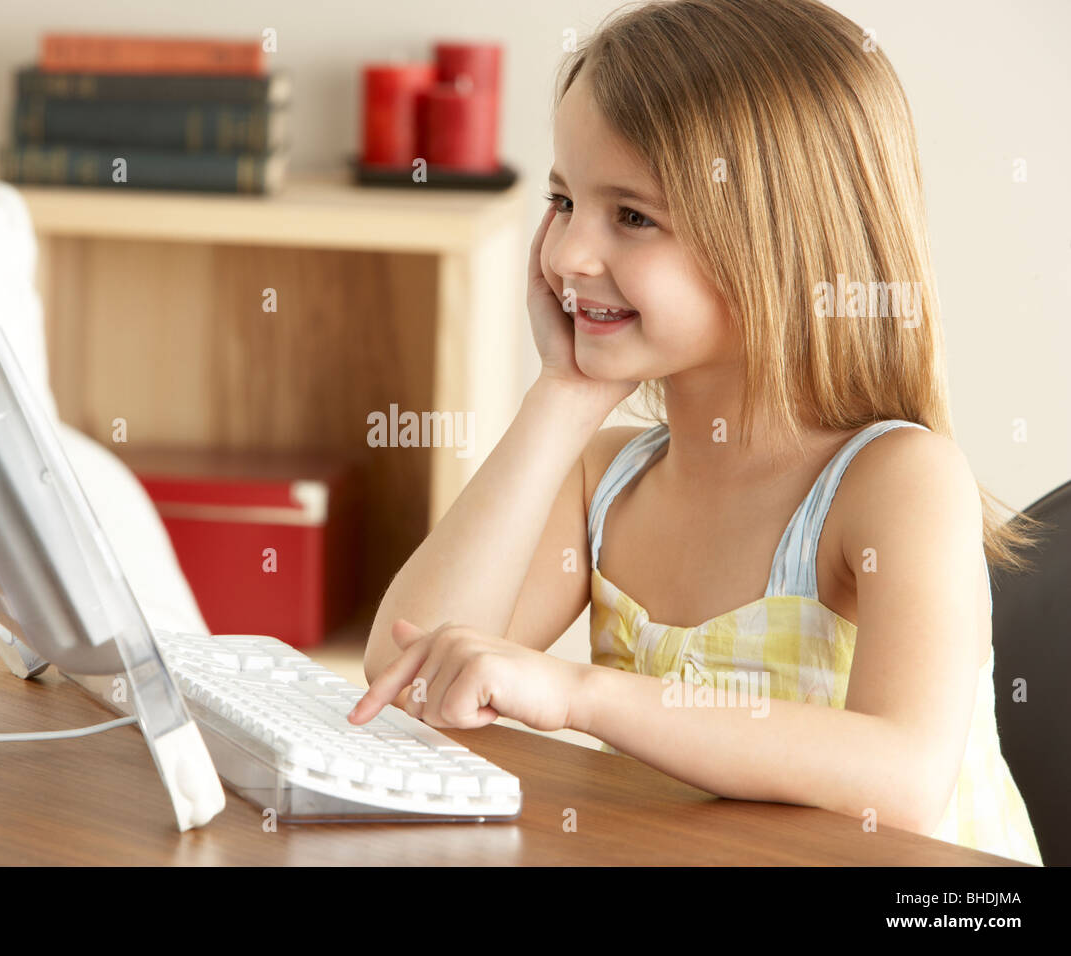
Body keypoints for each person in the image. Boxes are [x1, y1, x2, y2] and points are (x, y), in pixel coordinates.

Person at [350, 0, 1044, 866]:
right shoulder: (602, 480)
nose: (567, 255)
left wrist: (580, 695)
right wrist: (563, 394)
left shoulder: (897, 480)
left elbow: (902, 781)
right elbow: (402, 667)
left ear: (781, 248)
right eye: (564, 200)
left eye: (632, 217)